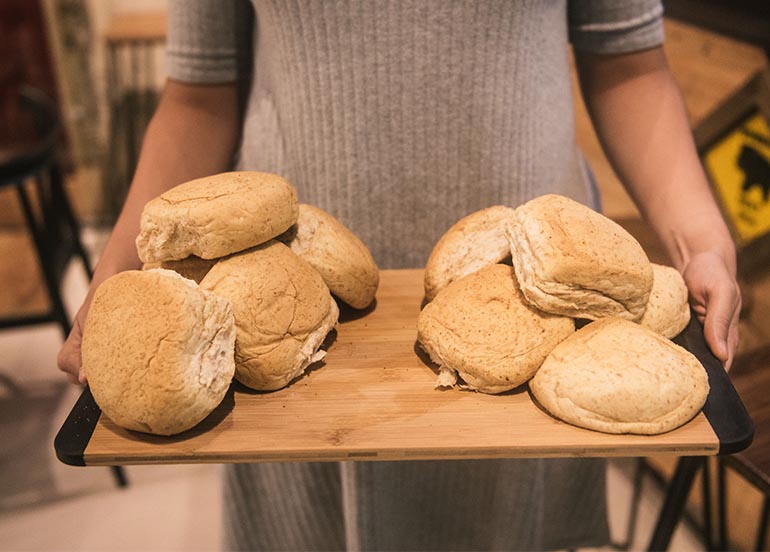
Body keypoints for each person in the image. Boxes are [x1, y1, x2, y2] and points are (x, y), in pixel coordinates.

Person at [59, 1, 741, 549]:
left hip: (543, 304)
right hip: (280, 308)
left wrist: (702, 239)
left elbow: (628, 63)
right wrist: (120, 276)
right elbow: (198, 93)